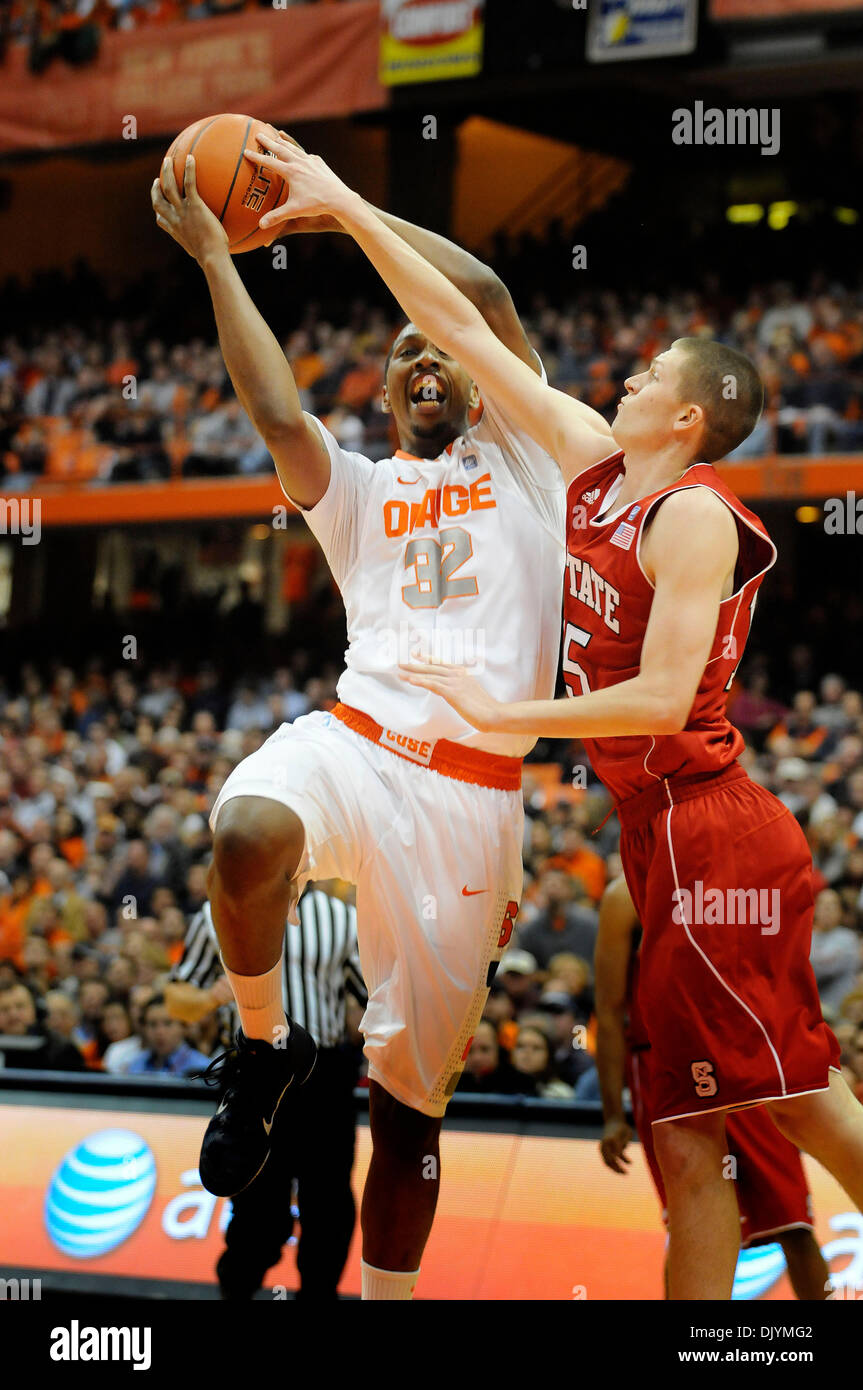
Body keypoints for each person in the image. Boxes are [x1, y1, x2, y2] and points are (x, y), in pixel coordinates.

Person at [257, 139, 863, 1301]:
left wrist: (513, 709)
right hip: (656, 834)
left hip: (714, 828)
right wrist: (340, 208)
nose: (622, 380)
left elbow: (665, 695)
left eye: (647, 376)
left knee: (797, 1097)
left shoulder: (688, 517)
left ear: (684, 417)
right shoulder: (592, 465)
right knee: (687, 1147)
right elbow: (469, 323)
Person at [149, 134, 607, 1299]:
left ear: (465, 372)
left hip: (471, 800)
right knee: (246, 826)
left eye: (433, 347)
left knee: (408, 1121)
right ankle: (259, 1047)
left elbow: (488, 300)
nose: (419, 359)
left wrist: (339, 212)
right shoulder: (360, 491)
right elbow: (275, 411)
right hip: (356, 745)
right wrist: (217, 258)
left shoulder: (526, 459)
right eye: (399, 350)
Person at [596, 876, 830, 1301]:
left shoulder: (731, 876)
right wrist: (613, 1113)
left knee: (794, 1223)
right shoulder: (623, 897)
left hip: (741, 1059)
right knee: (690, 1227)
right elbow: (609, 1013)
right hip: (665, 1065)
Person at [165, 892, 365, 1301]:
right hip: (251, 1076)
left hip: (321, 1081)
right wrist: (209, 998)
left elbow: (376, 998)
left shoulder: (343, 918)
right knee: (258, 1214)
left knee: (328, 1208)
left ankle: (319, 1294)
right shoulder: (216, 911)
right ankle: (236, 1291)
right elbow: (176, 1002)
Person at [0, 981, 85, 1071]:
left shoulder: (60, 1048)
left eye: (20, 1006)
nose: (13, 1014)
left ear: (35, 1010)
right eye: (4, 1009)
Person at [126, 994, 210, 1077]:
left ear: (183, 1026)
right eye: (152, 1024)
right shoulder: (136, 1066)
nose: (159, 1032)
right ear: (144, 1028)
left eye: (168, 1023)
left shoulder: (203, 1069)